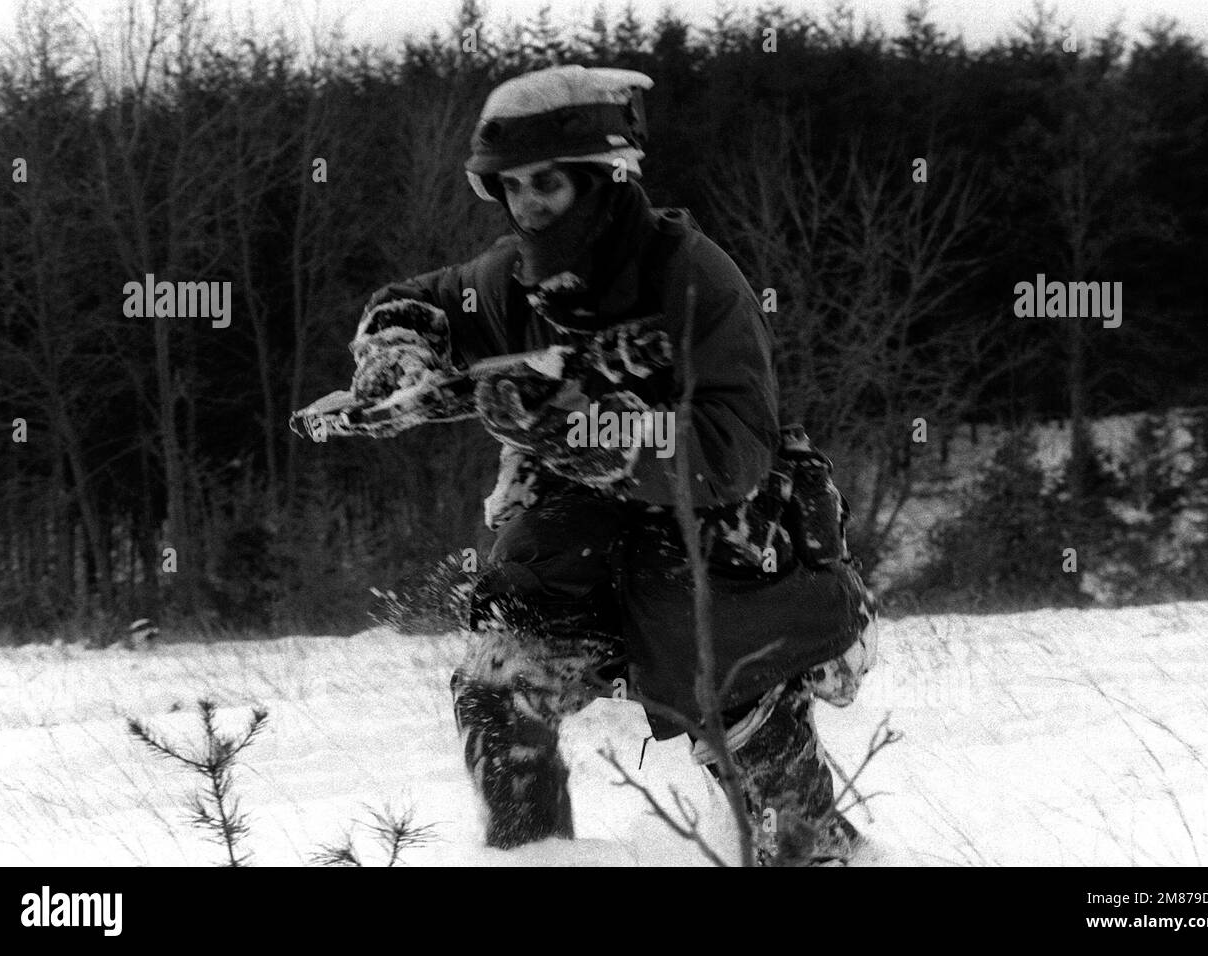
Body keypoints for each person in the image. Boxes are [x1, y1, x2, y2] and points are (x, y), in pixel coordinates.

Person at [349, 65, 878, 865]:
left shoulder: (697, 279)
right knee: (501, 688)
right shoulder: (512, 279)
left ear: (604, 177)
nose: (527, 205)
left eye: (548, 184)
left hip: (718, 557)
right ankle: (534, 864)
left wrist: (575, 428)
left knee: (773, 785)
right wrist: (398, 349)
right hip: (573, 546)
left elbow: (731, 451)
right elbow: (422, 298)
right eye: (511, 187)